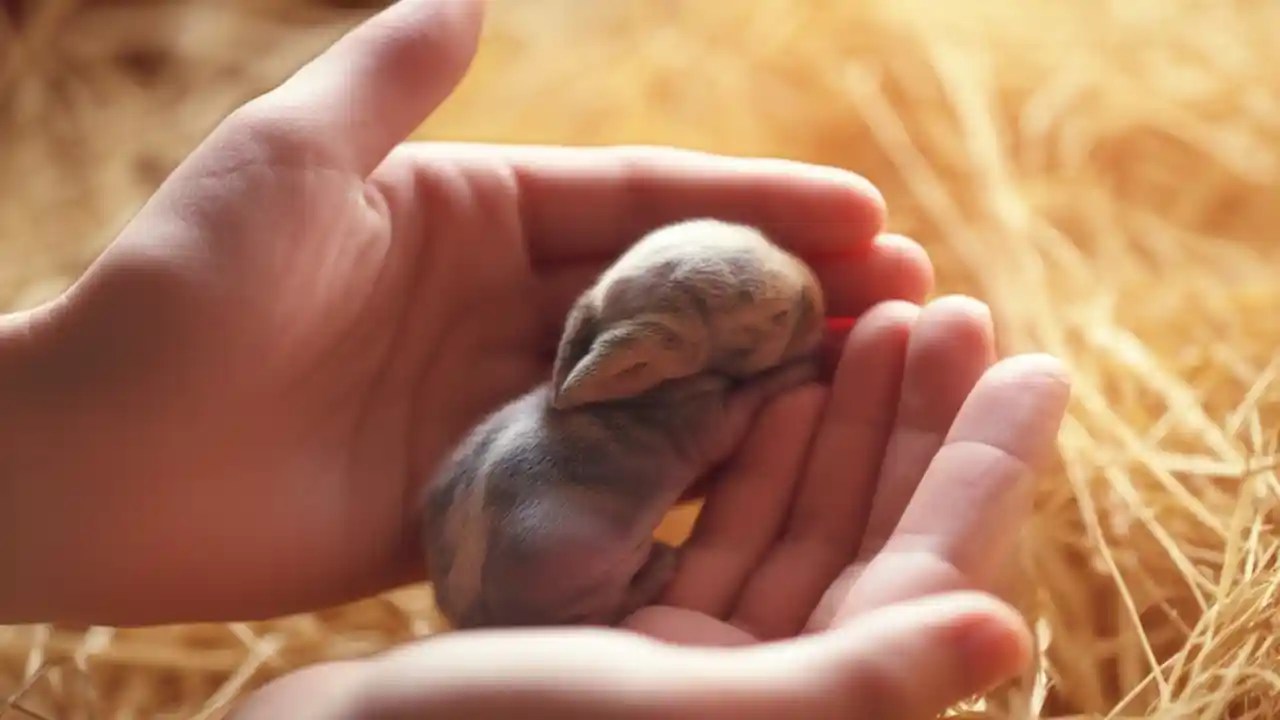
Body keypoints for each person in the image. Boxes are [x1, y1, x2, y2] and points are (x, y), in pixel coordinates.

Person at [0, 0, 1071, 717]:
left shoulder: (597, 367)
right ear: (642, 358)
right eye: (754, 335)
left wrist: (59, 451)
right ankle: (592, 584)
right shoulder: (671, 401)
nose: (787, 341)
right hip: (547, 563)